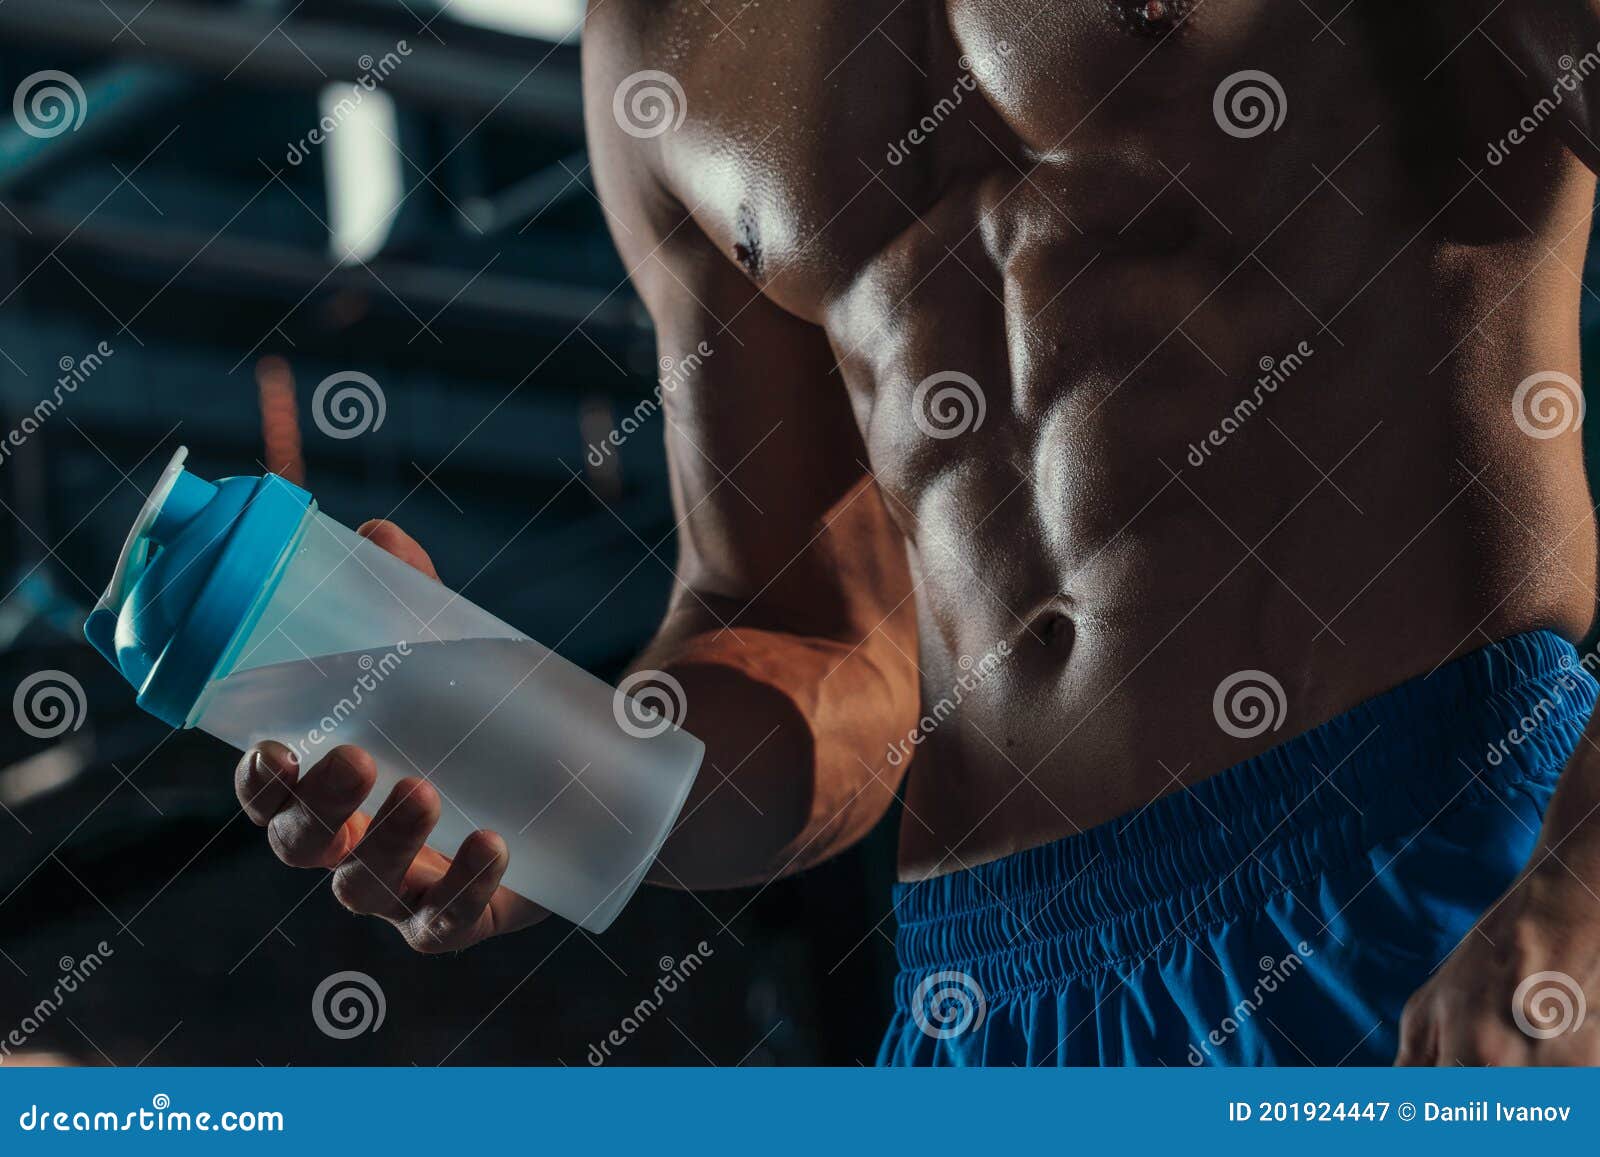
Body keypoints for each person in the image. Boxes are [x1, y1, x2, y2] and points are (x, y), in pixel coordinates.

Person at [231, 1, 1600, 1064]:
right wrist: (540, 787)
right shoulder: (654, 38)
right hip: (986, 993)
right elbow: (818, 638)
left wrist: (1584, 882)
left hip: (1441, 867)